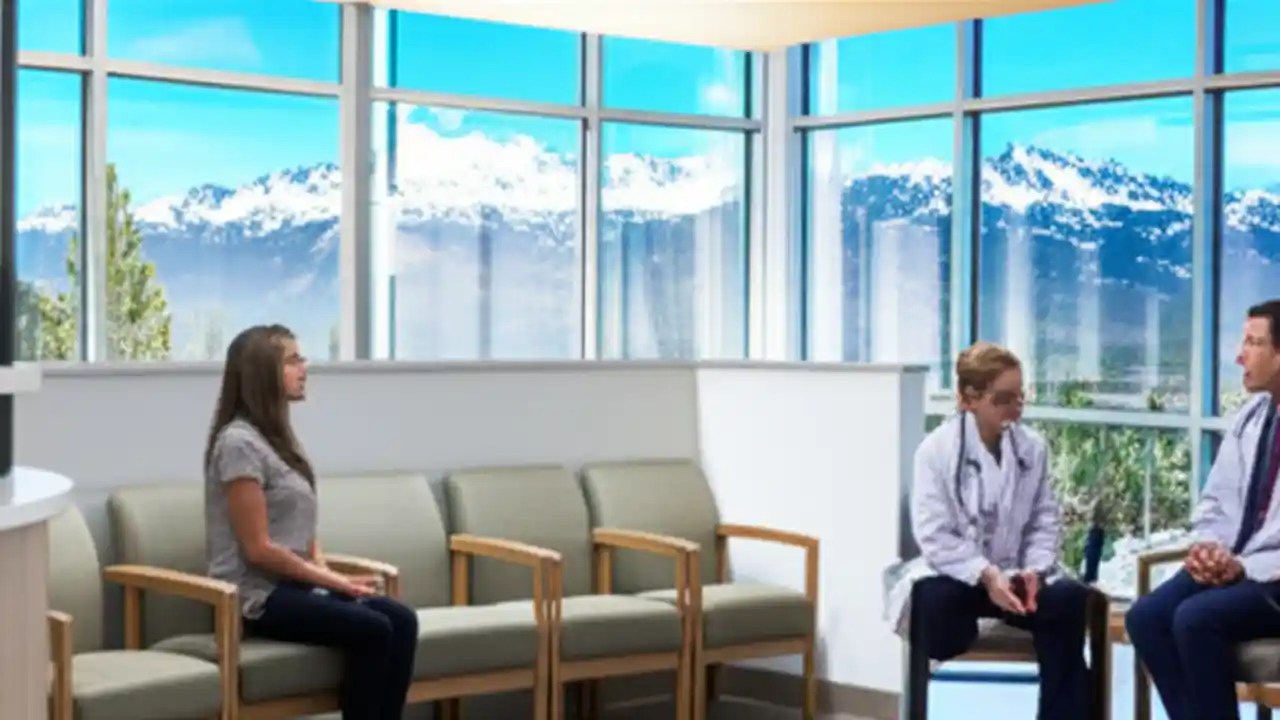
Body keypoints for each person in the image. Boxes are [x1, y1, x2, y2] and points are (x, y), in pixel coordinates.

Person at [204, 323, 418, 720]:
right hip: (257, 597)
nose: (304, 368)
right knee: (373, 628)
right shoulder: (237, 444)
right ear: (262, 372)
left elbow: (301, 531)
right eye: (293, 360)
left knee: (402, 620)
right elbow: (258, 549)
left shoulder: (276, 440)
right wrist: (336, 583)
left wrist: (327, 573)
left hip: (296, 588)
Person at [885, 341, 1091, 720]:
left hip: (1018, 578)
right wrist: (986, 574)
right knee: (931, 604)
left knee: (1070, 600)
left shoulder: (1032, 448)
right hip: (961, 578)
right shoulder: (935, 452)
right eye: (1003, 399)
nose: (1016, 408)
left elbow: (1044, 520)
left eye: (1020, 396)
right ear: (969, 399)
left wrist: (1033, 571)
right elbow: (934, 535)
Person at [1126, 299, 1280, 720]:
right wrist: (1211, 549)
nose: (1239, 356)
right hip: (1238, 568)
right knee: (1146, 617)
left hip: (1271, 577)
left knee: (1195, 618)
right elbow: (1216, 500)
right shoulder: (1252, 416)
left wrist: (1241, 567)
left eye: (1253, 343)